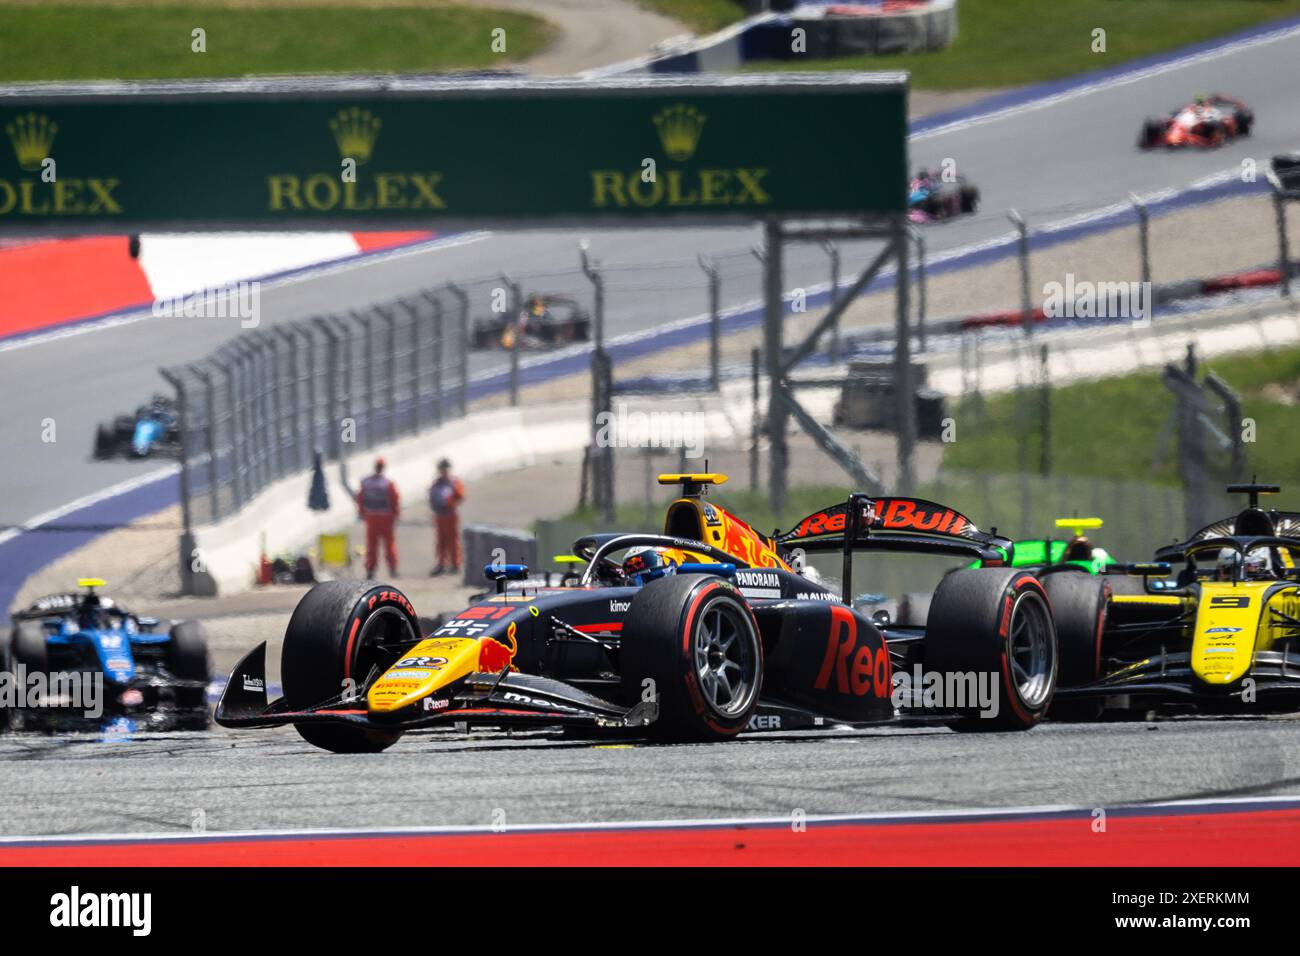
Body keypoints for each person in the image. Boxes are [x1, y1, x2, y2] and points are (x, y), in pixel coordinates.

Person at [356, 457, 399, 578]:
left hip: (372, 517)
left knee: (372, 545)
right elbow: (395, 499)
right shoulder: (388, 483)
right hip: (385, 517)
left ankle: (371, 570)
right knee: (389, 544)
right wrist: (396, 514)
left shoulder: (366, 482)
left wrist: (361, 512)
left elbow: (360, 498)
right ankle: (392, 569)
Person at [429, 458, 465, 575]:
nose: (444, 471)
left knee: (453, 541)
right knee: (441, 542)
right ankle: (441, 564)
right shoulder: (436, 483)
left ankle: (455, 564)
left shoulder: (454, 482)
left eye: (445, 468)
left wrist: (450, 502)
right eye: (442, 469)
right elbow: (431, 497)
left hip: (450, 515)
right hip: (439, 515)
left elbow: (460, 495)